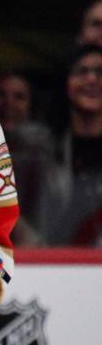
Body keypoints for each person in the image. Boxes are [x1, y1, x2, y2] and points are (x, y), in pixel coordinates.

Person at [41, 45, 102, 244]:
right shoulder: (42, 151)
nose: (92, 79)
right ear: (67, 85)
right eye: (82, 71)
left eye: (100, 72)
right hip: (51, 264)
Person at [0, 71, 54, 246]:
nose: (8, 103)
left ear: (31, 106)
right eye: (1, 95)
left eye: (19, 97)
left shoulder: (45, 154)